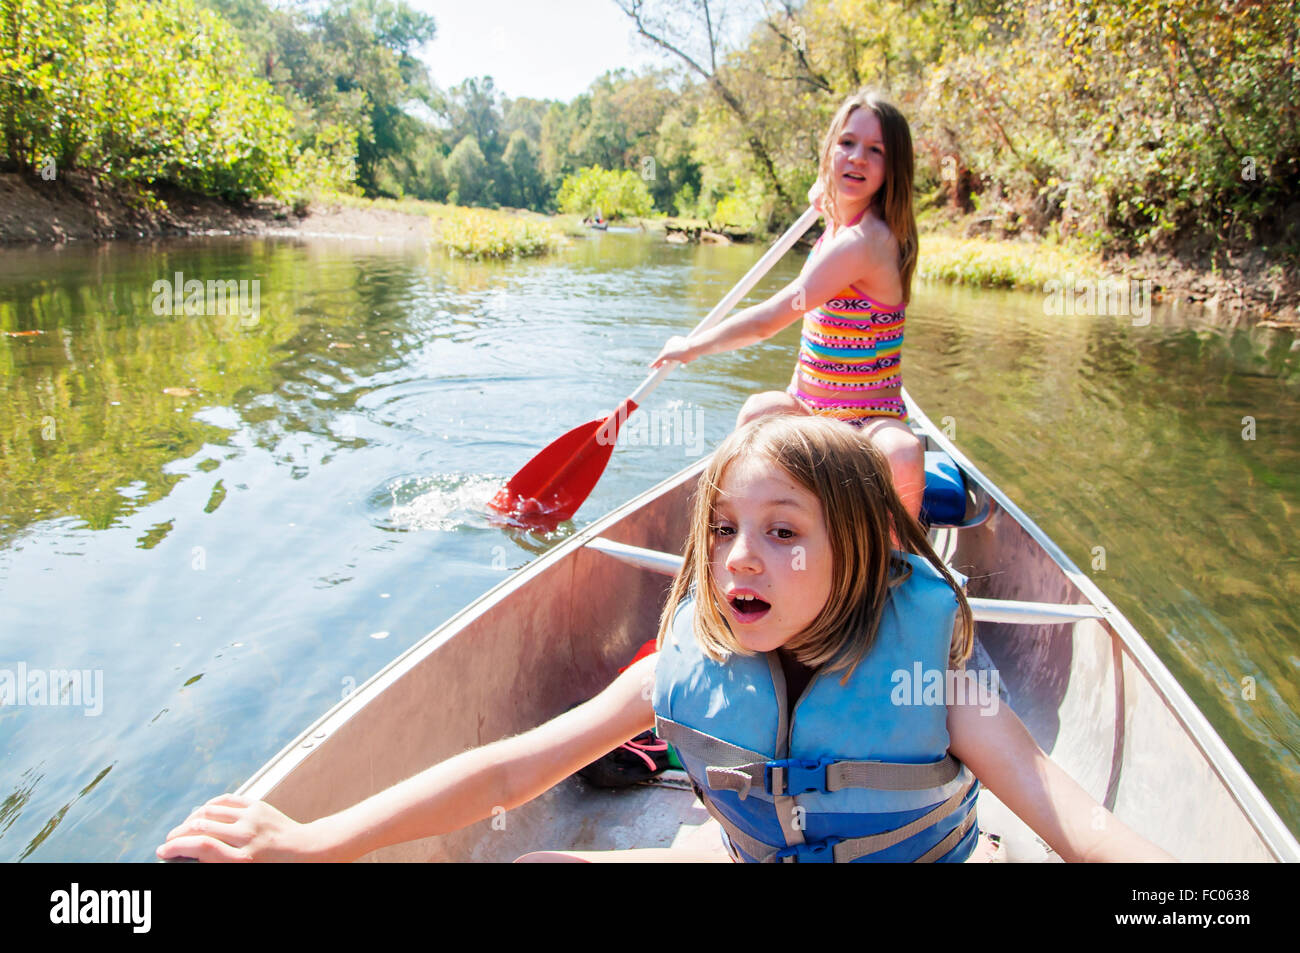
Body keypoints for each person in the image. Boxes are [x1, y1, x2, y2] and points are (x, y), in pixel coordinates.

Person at [156, 416, 1174, 863]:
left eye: (783, 534)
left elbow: (1071, 815)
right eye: (724, 529)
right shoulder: (688, 665)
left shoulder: (933, 676)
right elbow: (511, 768)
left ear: (858, 554)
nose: (740, 559)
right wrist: (308, 840)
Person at [650, 90, 926, 518]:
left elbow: (767, 322)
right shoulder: (838, 219)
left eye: (876, 151)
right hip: (809, 407)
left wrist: (692, 346)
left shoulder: (864, 241)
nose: (857, 158)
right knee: (759, 411)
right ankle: (735, 533)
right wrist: (826, 194)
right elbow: (830, 191)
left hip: (870, 419)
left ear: (894, 169)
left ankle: (895, 564)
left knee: (903, 453)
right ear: (831, 149)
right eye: (848, 144)